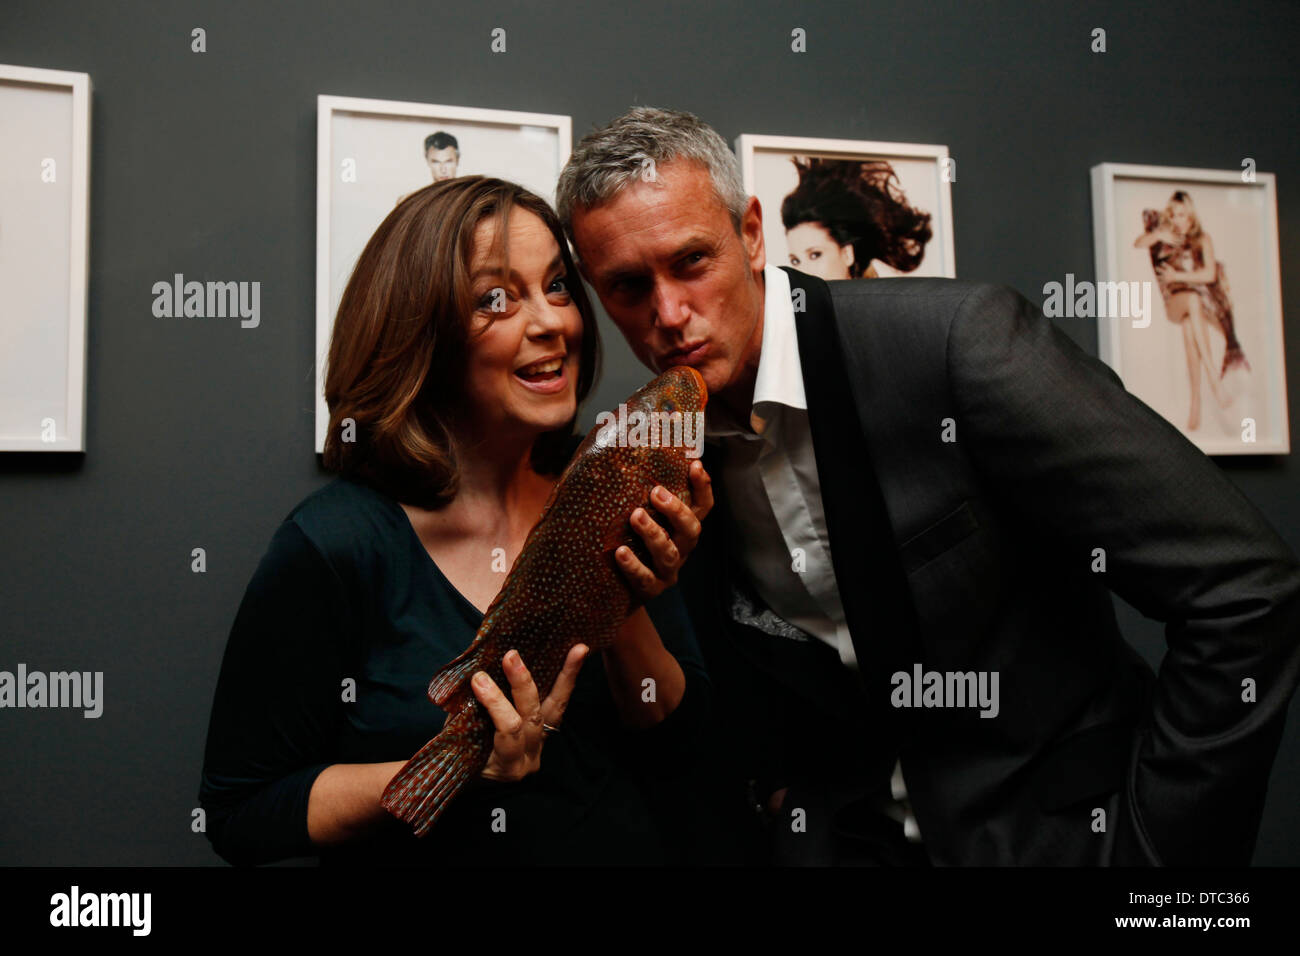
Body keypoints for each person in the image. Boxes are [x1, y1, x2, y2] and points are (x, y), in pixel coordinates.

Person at [555, 106, 1300, 866]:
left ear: (750, 232)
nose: (670, 315)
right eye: (627, 286)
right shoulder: (663, 447)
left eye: (691, 262)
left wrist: (1158, 861)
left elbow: (1244, 589)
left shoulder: (956, 344)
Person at [198, 176, 713, 866]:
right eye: (496, 299)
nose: (551, 322)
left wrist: (617, 595)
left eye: (558, 287)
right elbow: (240, 813)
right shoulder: (334, 545)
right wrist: (457, 771)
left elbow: (687, 762)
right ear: (423, 332)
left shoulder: (611, 481)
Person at [1134, 191, 1249, 431]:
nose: (1178, 220)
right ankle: (1214, 381)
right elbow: (1138, 243)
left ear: (1191, 215)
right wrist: (1157, 233)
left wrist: (1179, 275)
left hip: (1201, 307)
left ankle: (1195, 402)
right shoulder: (1166, 236)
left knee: (1190, 326)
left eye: (1182, 215)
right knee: (1192, 302)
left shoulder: (1202, 238)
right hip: (1174, 303)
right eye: (1173, 215)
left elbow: (1209, 274)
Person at [780, 157, 932, 281]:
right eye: (795, 261)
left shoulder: (884, 311)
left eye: (815, 255)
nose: (803, 272)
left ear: (847, 254)